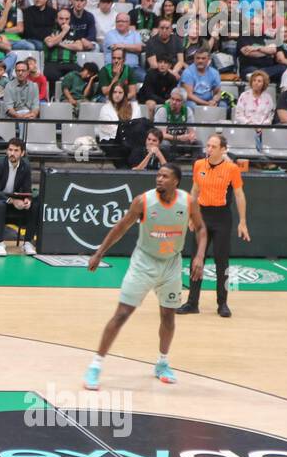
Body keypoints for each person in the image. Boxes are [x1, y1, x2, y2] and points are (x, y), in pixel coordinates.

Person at [84, 163, 207, 391]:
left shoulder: (188, 202)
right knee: (121, 314)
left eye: (165, 176)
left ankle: (162, 363)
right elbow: (121, 227)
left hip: (171, 264)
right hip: (144, 262)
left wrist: (199, 256)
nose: (159, 179)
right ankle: (95, 365)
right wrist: (100, 252)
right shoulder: (143, 201)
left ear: (176, 181)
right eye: (158, 175)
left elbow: (200, 228)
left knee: (168, 317)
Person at [178, 134, 250, 318]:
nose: (208, 149)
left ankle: (222, 303)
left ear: (223, 149)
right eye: (208, 145)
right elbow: (194, 191)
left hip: (222, 218)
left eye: (213, 146)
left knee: (221, 260)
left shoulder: (232, 169)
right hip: (202, 216)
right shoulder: (199, 165)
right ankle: (192, 303)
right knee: (197, 259)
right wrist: (191, 216)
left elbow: (240, 195)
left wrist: (242, 221)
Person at [0, 138, 36, 257]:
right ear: (6, 151)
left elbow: (27, 190)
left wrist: (27, 200)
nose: (12, 153)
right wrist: (13, 201)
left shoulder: (25, 166)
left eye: (16, 150)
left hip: (11, 198)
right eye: (10, 150)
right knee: (1, 205)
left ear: (22, 153)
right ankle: (0, 243)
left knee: (34, 206)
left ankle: (27, 242)